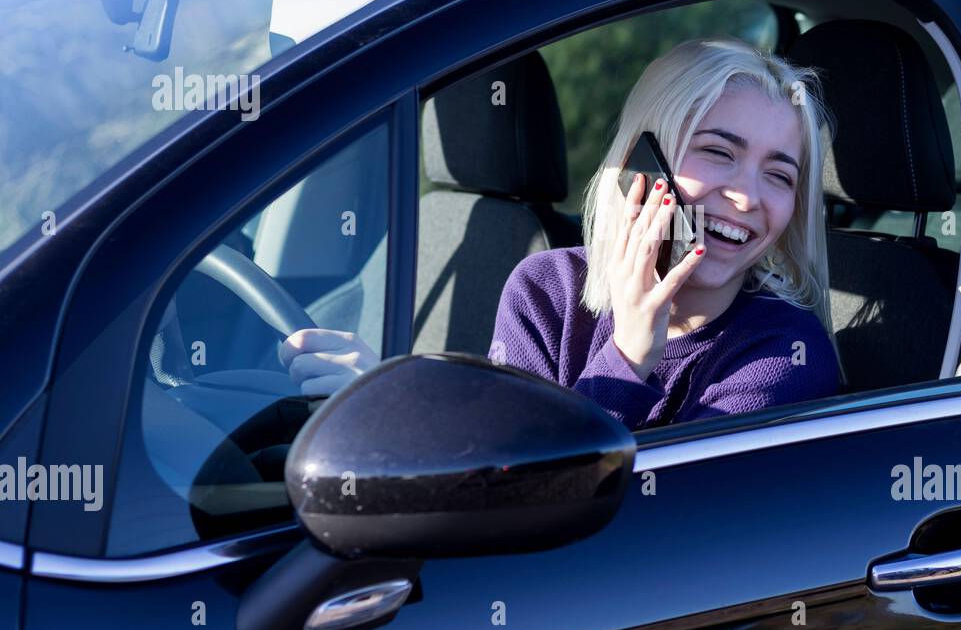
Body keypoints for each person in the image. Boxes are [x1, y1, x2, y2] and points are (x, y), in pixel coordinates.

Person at [279, 37, 843, 430]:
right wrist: (397, 397)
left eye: (778, 175)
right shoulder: (547, 287)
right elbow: (502, 465)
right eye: (719, 152)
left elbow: (601, 518)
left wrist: (629, 352)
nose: (746, 196)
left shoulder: (786, 354)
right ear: (640, 165)